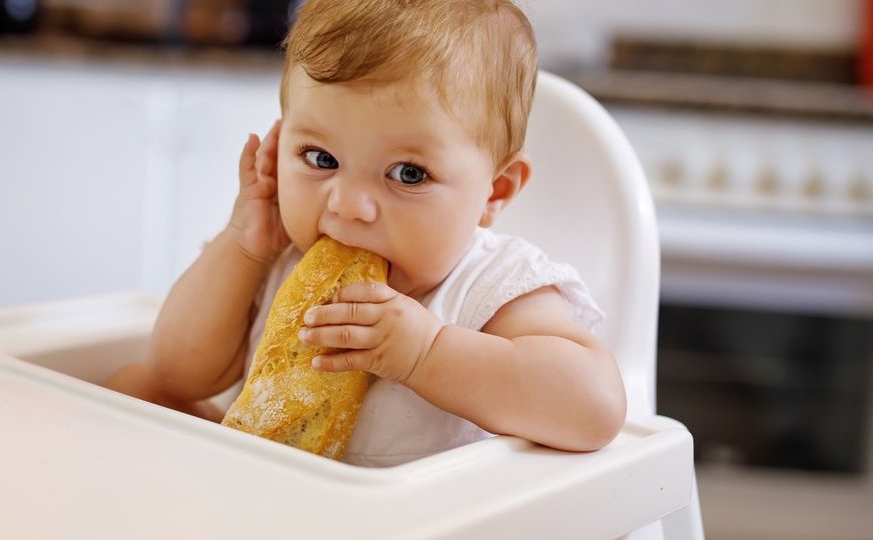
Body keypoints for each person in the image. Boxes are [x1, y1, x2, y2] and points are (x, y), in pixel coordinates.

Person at [106, 0, 626, 467]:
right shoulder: (277, 257)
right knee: (137, 387)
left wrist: (428, 352)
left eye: (408, 174)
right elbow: (176, 372)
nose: (348, 205)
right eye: (321, 159)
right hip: (266, 499)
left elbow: (595, 408)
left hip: (420, 524)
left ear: (494, 192)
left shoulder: (492, 286)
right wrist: (243, 241)